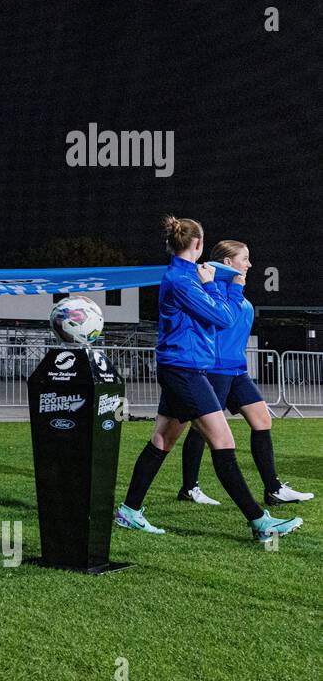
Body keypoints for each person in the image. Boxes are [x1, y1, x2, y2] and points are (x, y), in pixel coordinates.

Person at [114, 217, 303, 542]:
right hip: (184, 371)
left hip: (183, 369)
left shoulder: (185, 276)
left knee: (162, 441)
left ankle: (129, 511)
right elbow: (222, 317)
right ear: (198, 245)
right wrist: (225, 286)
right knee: (223, 441)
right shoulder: (183, 281)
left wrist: (213, 283)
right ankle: (261, 523)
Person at [178, 240, 313, 507]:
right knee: (201, 430)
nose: (250, 264)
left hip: (238, 371)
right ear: (227, 263)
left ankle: (273, 489)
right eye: (245, 258)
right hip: (214, 371)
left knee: (263, 420)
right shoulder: (211, 292)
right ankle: (189, 488)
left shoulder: (238, 295)